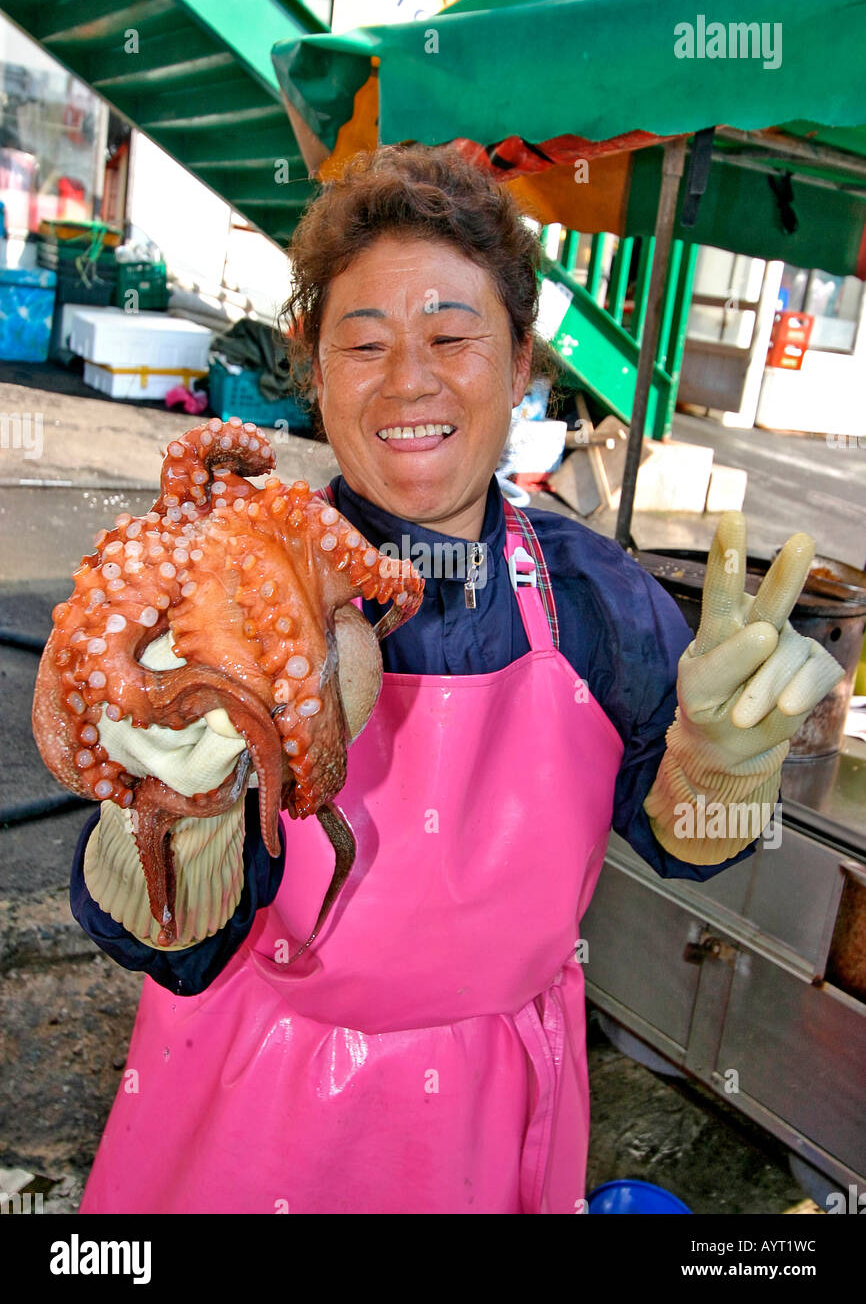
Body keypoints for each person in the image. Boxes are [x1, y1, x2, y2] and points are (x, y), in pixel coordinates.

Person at [70, 145, 841, 1214]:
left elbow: (683, 839)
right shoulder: (231, 581)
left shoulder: (598, 601)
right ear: (313, 364)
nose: (408, 381)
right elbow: (157, 937)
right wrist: (180, 805)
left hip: (489, 1105)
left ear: (520, 361)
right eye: (365, 343)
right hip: (249, 1095)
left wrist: (721, 766)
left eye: (450, 338)